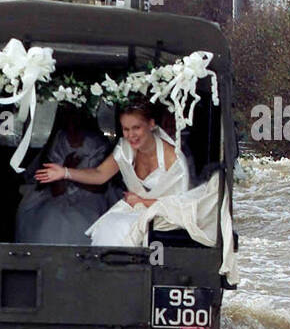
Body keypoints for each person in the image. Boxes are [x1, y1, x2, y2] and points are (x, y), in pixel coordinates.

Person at [35, 99, 191, 246]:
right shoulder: (125, 148)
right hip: (135, 209)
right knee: (108, 225)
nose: (131, 135)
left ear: (151, 124)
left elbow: (179, 207)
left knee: (121, 228)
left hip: (164, 217)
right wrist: (65, 172)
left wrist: (142, 202)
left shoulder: (173, 157)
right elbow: (100, 173)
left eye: (137, 128)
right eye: (126, 129)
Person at [15, 107, 116, 245]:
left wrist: (70, 173)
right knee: (51, 218)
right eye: (69, 120)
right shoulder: (58, 140)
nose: (72, 125)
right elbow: (57, 190)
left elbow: (99, 185)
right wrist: (67, 171)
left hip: (90, 195)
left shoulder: (97, 143)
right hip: (60, 193)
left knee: (82, 221)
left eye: (76, 120)